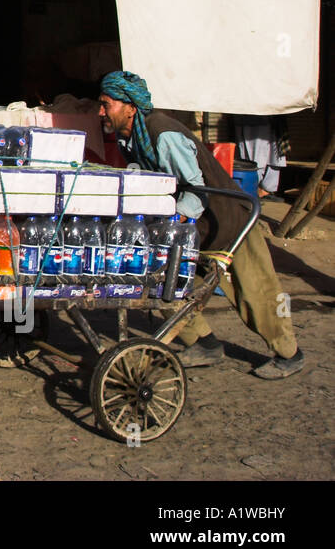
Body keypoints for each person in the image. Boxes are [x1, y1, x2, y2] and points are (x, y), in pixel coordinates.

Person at [98, 70, 303, 379]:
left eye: (106, 104)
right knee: (163, 282)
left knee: (255, 291)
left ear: (130, 107)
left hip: (229, 219)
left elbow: (196, 188)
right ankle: (205, 343)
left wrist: (173, 219)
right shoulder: (131, 137)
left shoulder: (163, 135)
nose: (101, 111)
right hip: (196, 229)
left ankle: (289, 353)